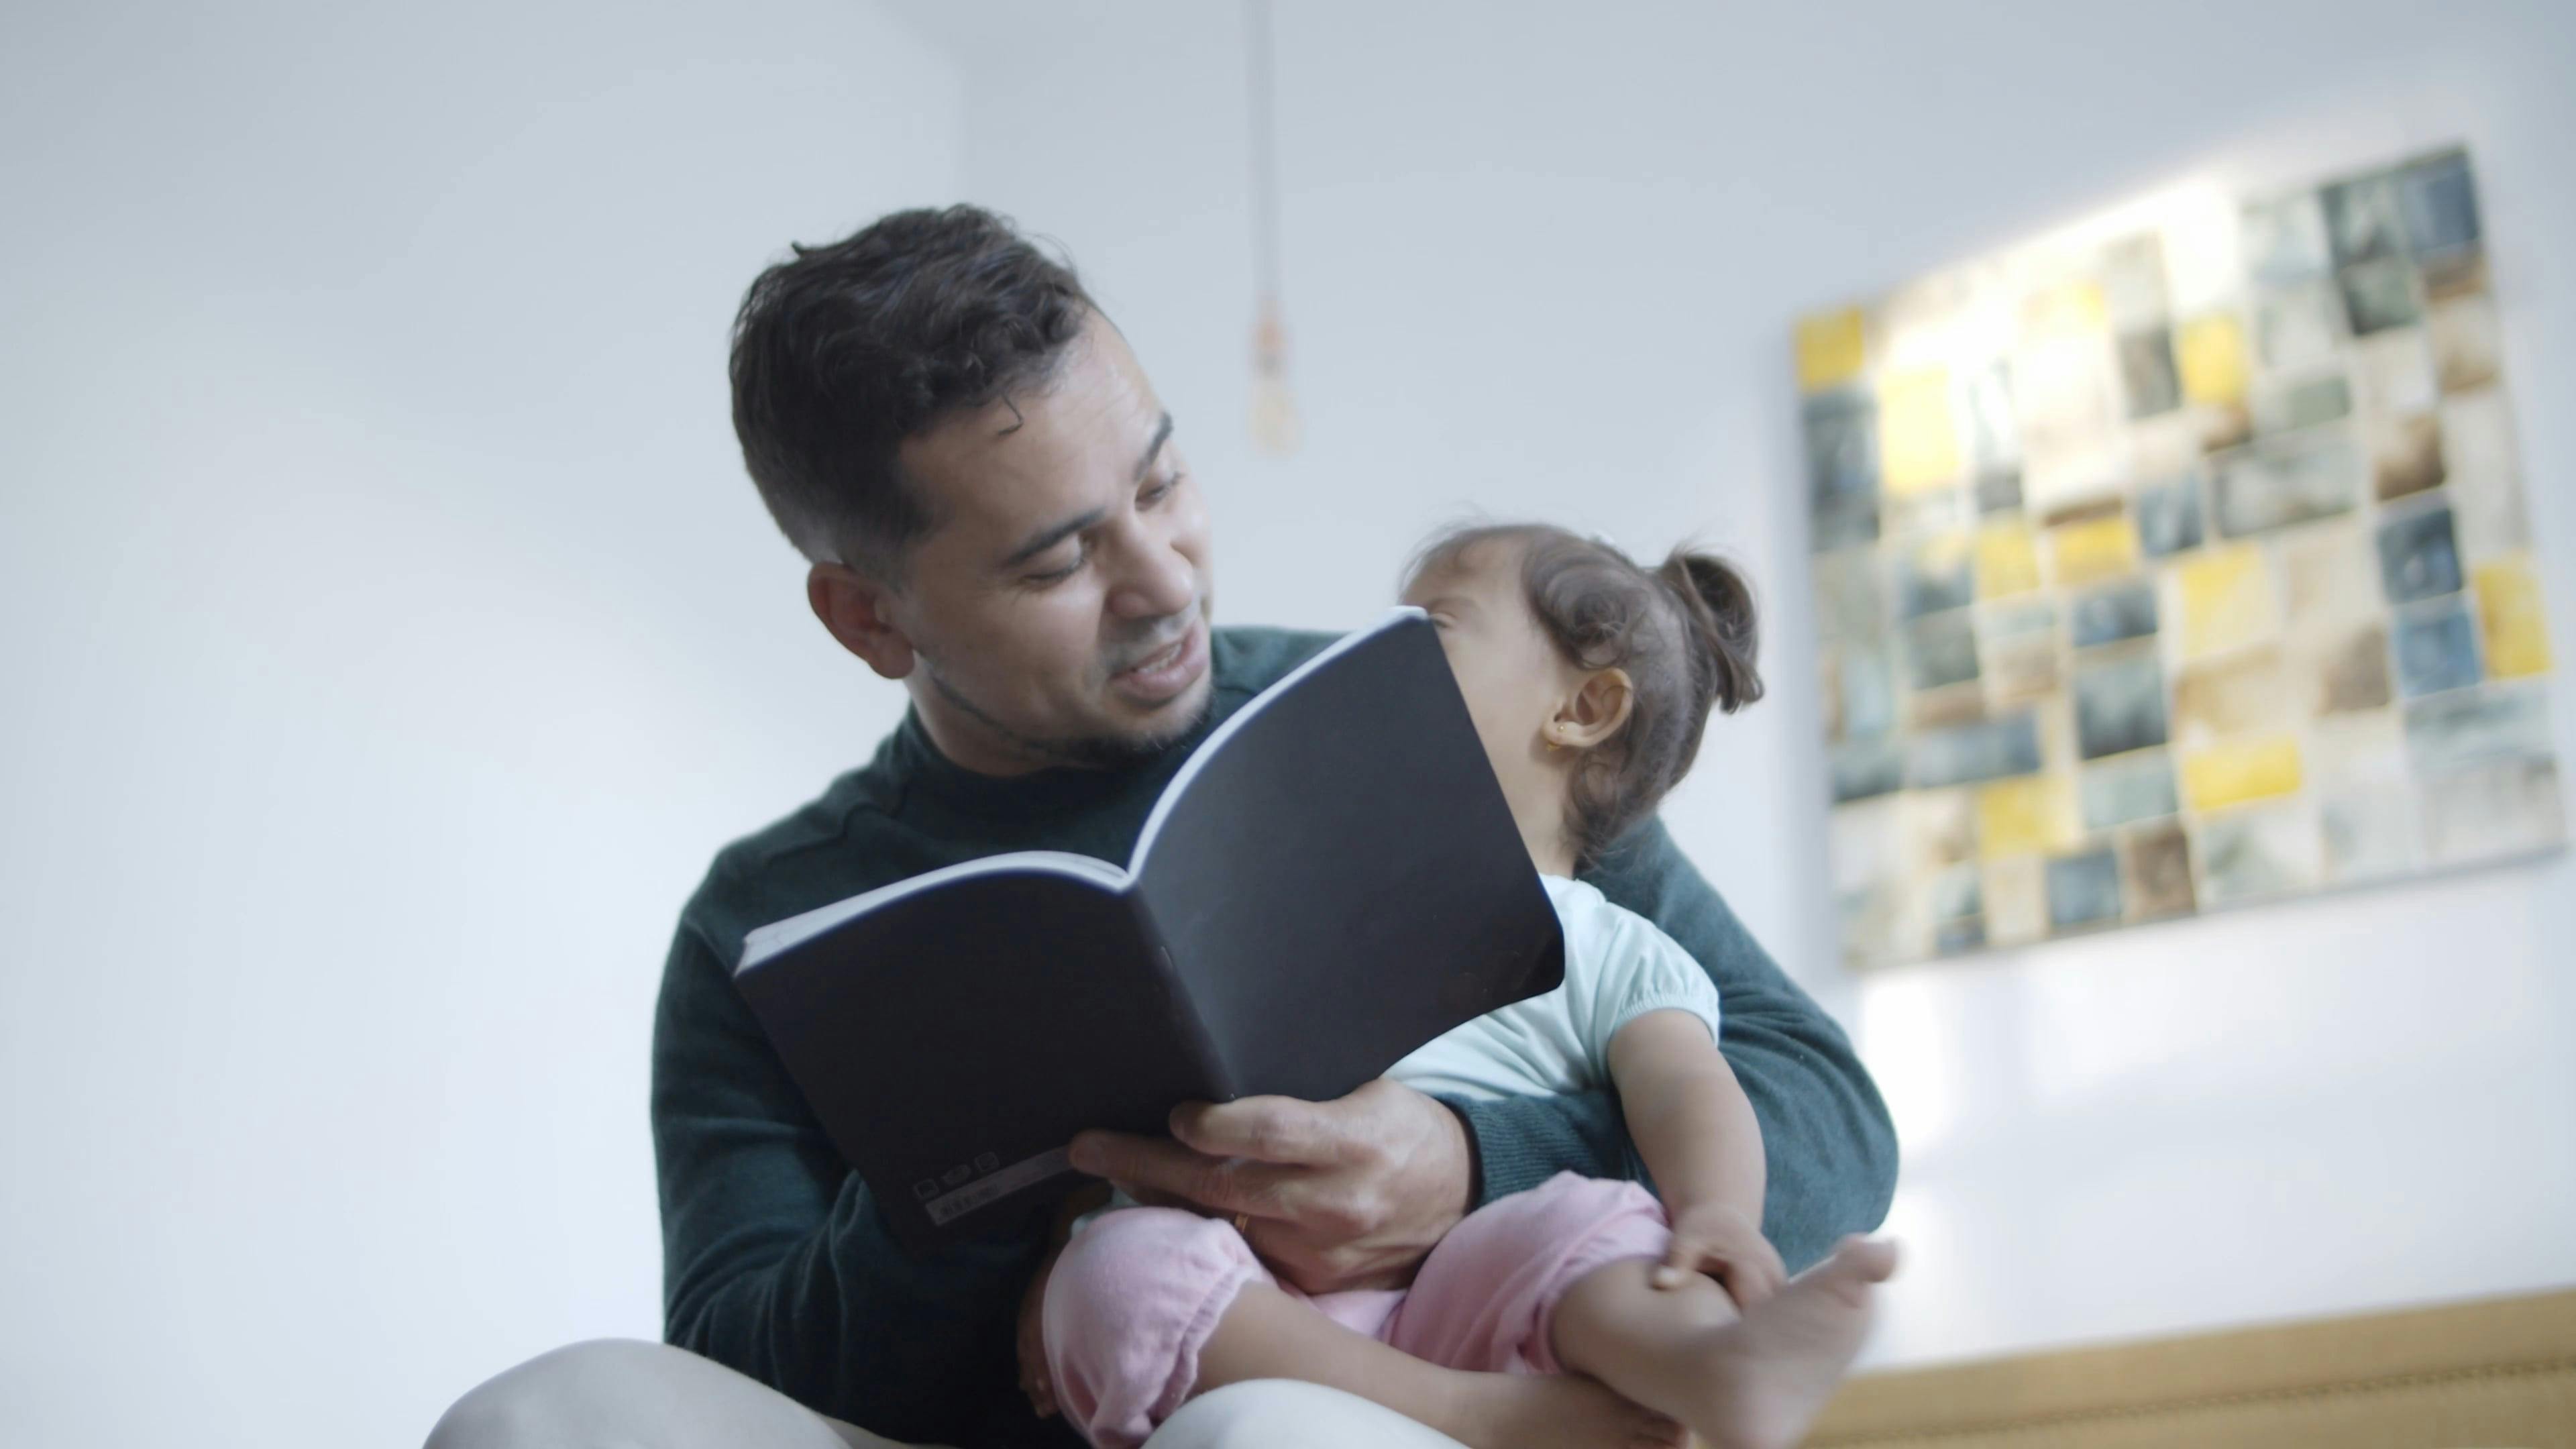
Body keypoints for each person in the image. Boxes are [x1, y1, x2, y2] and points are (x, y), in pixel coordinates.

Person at [423, 205, 1896, 1449]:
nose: (1165, 581)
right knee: (552, 1416)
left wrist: (1467, 1157)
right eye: (1062, 558)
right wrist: (983, 1169)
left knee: (1261, 1435)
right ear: (870, 615)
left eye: (1164, 482)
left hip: (1362, 1382)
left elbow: (1819, 1105)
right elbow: (748, 1358)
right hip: (1032, 1390)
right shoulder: (770, 920)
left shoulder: (1418, 725)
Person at [1029, 525, 1897, 1449]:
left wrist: (1720, 1217)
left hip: (1499, 1294)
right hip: (1271, 1325)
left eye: (1430, 628)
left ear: (1585, 707)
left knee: (1601, 1225)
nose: (1371, 661)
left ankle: (1716, 1367)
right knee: (1109, 1272)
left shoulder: (1611, 944)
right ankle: (1486, 1422)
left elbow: (1687, 1084)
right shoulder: (1301, 907)